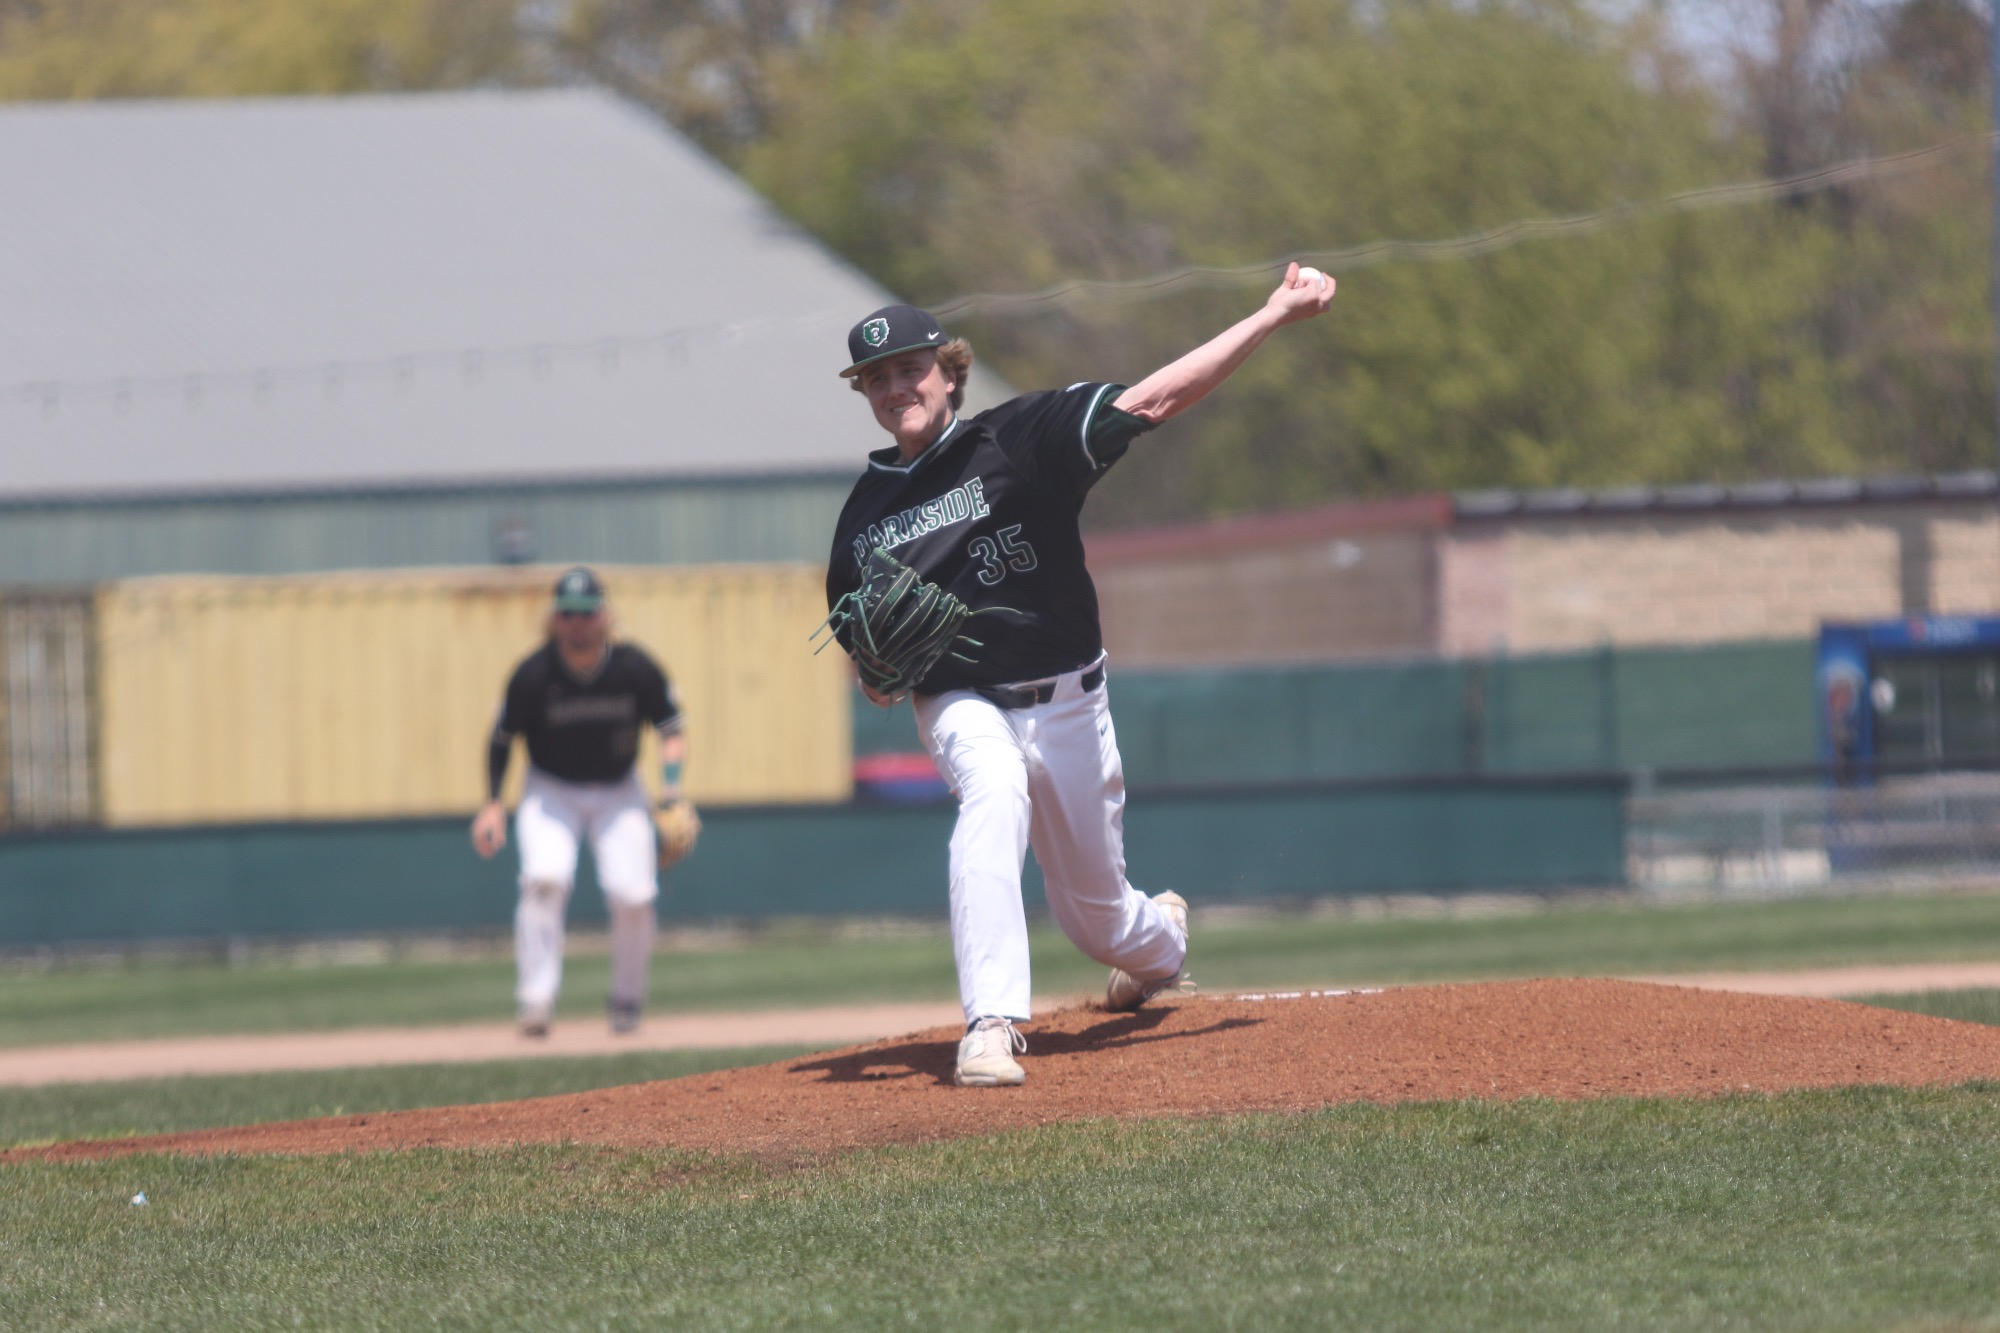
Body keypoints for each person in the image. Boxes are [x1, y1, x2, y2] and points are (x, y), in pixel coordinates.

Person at [825, 263, 1336, 1086]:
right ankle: (990, 1026)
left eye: (909, 368)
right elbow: (868, 665)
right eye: (876, 378)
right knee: (993, 790)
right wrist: (878, 678)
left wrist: (1271, 314)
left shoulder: (1021, 439)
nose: (895, 387)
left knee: (1099, 921)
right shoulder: (866, 513)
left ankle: (1160, 939)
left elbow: (1155, 398)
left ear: (948, 370)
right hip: (961, 701)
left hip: (1068, 701)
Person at [471, 567, 689, 1037]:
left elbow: (671, 730)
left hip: (619, 787)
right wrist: (492, 803)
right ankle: (536, 1000)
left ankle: (626, 1001)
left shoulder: (633, 667)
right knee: (544, 880)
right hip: (551, 789)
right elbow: (501, 740)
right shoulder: (533, 674)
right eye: (568, 614)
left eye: (587, 614)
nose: (578, 624)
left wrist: (671, 793)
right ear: (554, 619)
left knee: (633, 894)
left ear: (606, 616)